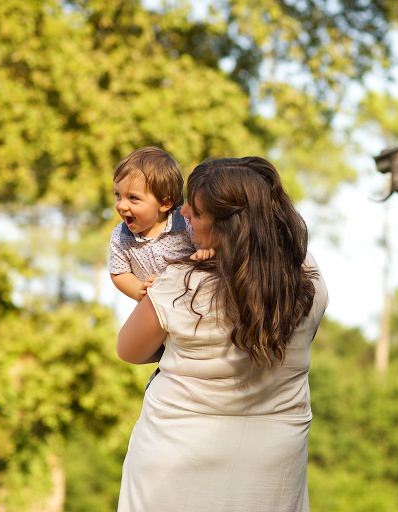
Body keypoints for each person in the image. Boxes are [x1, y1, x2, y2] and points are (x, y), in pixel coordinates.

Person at [116, 156, 328, 512]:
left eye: (196, 213)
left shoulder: (179, 285)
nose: (182, 214)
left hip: (175, 461)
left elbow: (129, 350)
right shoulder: (307, 281)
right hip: (273, 465)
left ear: (227, 227)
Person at [109, 146, 200, 386]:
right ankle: (164, 375)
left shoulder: (184, 224)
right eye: (118, 195)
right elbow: (119, 272)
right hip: (156, 311)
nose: (122, 205)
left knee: (190, 348)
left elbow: (204, 244)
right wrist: (138, 289)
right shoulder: (121, 236)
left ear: (165, 202)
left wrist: (205, 252)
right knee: (151, 350)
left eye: (133, 198)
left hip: (191, 305)